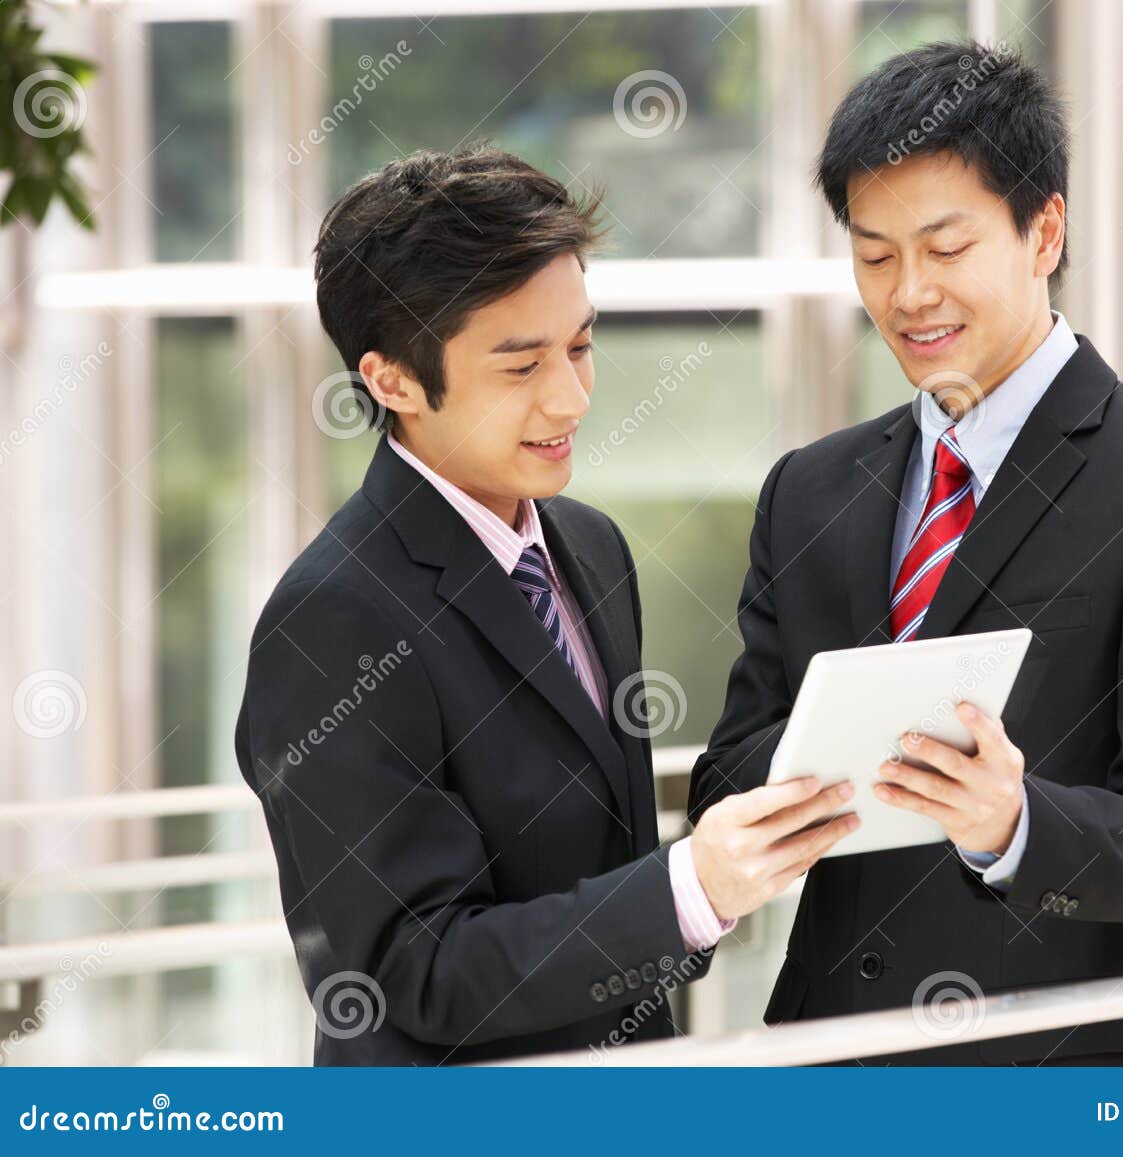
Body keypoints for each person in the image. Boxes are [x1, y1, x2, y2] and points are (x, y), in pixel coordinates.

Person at [689, 43, 1123, 1065]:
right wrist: (804, 783)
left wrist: (1014, 820)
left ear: (1042, 229)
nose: (908, 292)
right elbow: (726, 771)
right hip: (835, 1062)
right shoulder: (810, 489)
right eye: (874, 256)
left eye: (945, 247)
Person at [234, 145, 857, 1065]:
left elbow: (601, 857)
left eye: (581, 345)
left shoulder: (592, 548)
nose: (572, 396)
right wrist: (691, 887)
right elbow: (414, 972)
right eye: (521, 366)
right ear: (392, 380)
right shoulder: (333, 619)